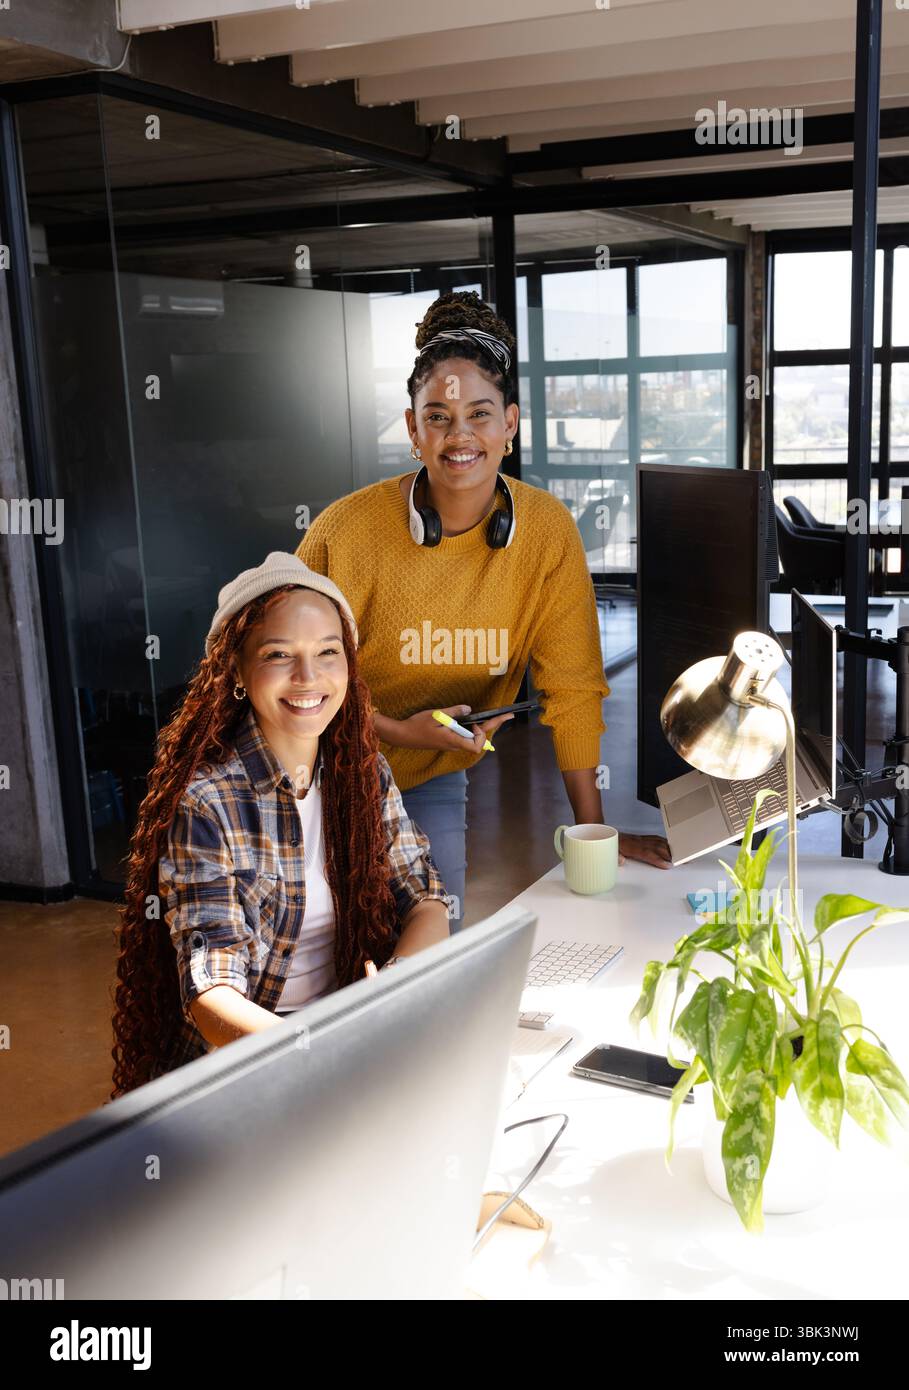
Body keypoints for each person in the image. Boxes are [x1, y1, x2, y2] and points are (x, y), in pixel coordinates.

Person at [295, 290, 670, 932]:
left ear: (511, 423)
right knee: (330, 949)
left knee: (437, 940)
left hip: (432, 772)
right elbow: (287, 677)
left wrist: (593, 833)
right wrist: (393, 729)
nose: (459, 436)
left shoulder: (546, 532)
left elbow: (573, 690)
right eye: (437, 417)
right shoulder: (345, 530)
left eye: (479, 413)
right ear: (412, 430)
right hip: (316, 771)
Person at [110, 554, 450, 1097]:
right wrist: (317, 1052)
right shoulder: (207, 803)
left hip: (351, 1031)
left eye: (327, 653)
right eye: (278, 655)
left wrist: (395, 985)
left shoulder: (364, 773)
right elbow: (211, 993)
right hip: (255, 1059)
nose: (308, 677)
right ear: (239, 674)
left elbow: (425, 895)